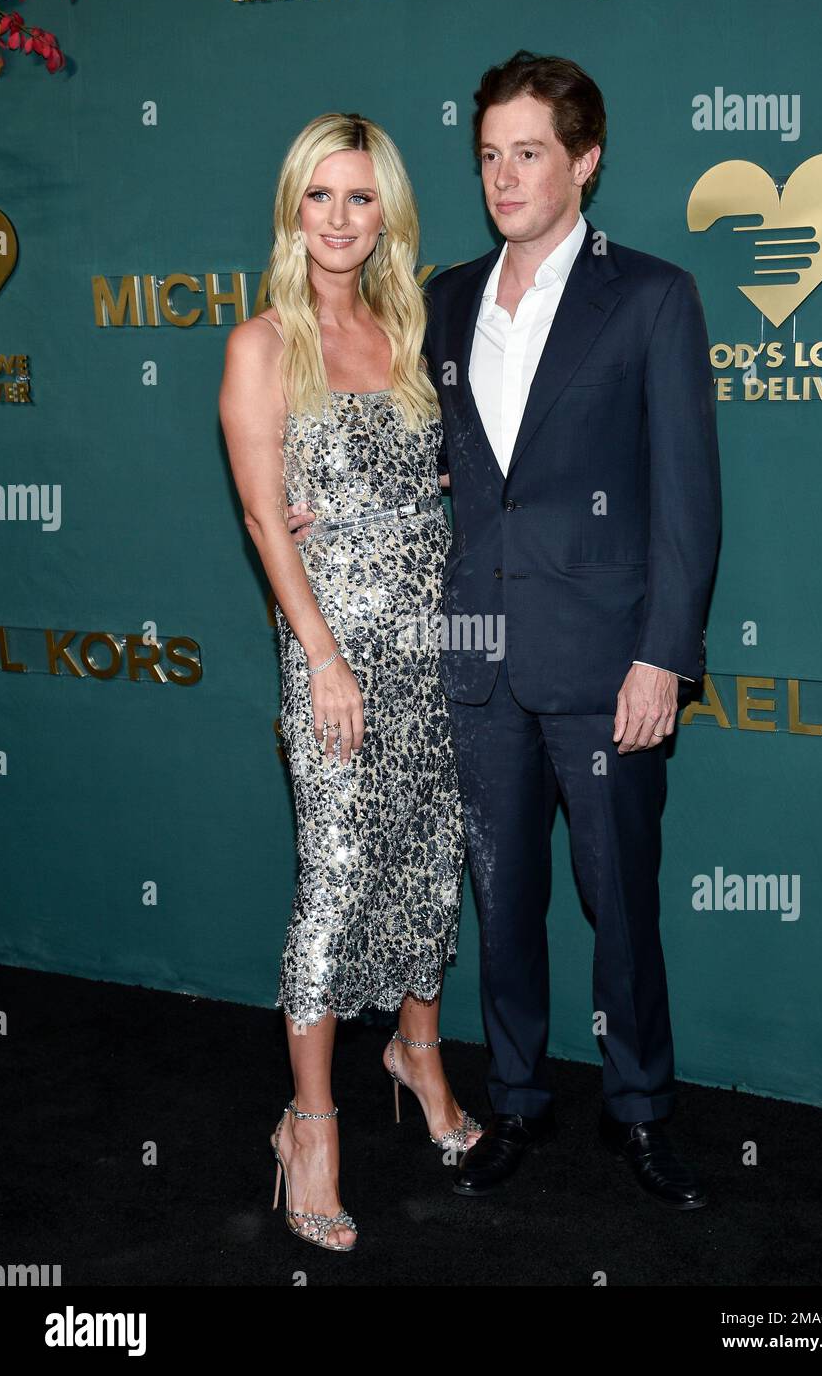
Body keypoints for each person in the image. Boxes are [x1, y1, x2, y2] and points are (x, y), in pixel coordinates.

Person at [289, 54, 722, 1211]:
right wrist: (319, 503)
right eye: (489, 154)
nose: (505, 175)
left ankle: (639, 1111)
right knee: (501, 899)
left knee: (621, 899)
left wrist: (663, 656)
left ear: (584, 161)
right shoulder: (440, 297)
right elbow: (417, 462)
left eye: (530, 152)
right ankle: (517, 1096)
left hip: (605, 666)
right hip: (468, 658)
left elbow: (689, 499)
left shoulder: (652, 297)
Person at [219, 112, 480, 1253]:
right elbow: (261, 517)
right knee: (332, 877)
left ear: (389, 215)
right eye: (319, 196)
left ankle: (417, 1052)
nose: (338, 218)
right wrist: (320, 652)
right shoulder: (262, 343)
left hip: (431, 634)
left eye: (360, 198)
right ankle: (310, 1125)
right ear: (293, 207)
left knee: (430, 856)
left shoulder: (412, 324)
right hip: (333, 643)